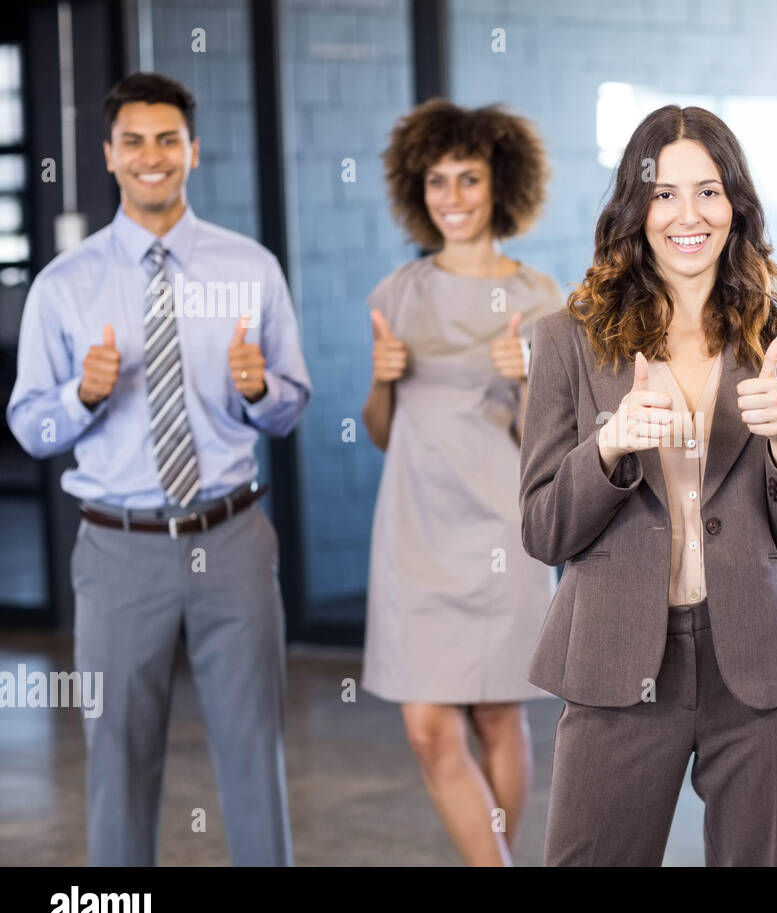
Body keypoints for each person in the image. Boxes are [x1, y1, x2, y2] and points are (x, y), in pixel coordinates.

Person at [5, 72, 310, 866]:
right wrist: (79, 398)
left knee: (254, 754)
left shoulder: (251, 267)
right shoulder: (62, 286)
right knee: (118, 760)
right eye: (133, 141)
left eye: (167, 140)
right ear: (109, 155)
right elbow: (29, 426)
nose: (151, 156)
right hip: (117, 549)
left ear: (193, 151)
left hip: (234, 535)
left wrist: (257, 389)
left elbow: (292, 406)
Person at [518, 105, 777, 866]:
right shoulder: (567, 339)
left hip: (761, 670)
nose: (687, 215)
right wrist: (612, 445)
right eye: (663, 193)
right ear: (636, 204)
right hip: (616, 663)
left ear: (737, 207)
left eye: (710, 191)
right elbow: (542, 530)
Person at [360, 99, 563, 866]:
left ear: (500, 184)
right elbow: (381, 430)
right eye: (437, 180)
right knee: (426, 725)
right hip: (414, 527)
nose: (450, 196)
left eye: (468, 179)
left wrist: (531, 379)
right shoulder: (396, 295)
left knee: (495, 718)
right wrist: (382, 381)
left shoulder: (544, 301)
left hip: (501, 531)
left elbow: (553, 447)